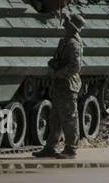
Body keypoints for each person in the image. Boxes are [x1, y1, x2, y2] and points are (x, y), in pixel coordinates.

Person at [34, 13, 83, 159]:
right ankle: (50, 147)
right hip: (60, 85)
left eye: (67, 23)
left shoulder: (73, 43)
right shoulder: (65, 41)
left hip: (68, 85)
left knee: (69, 118)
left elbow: (75, 67)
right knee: (55, 118)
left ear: (71, 26)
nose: (64, 24)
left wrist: (58, 73)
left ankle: (71, 149)